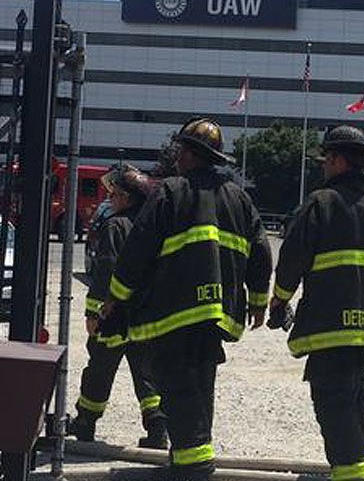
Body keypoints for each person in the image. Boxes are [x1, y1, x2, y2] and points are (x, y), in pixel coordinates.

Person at [105, 118, 272, 480]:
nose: (177, 157)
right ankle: (188, 458)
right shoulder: (239, 198)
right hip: (218, 314)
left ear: (188, 153)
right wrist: (258, 301)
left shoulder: (171, 191)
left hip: (175, 310)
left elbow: (138, 249)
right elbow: (261, 250)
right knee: (200, 385)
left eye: (180, 150)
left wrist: (115, 297)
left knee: (177, 385)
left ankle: (193, 466)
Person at [268, 125, 364, 481]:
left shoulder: (320, 203)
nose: (323, 166)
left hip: (329, 324)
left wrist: (279, 300)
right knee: (357, 391)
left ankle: (353, 475)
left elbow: (292, 259)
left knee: (333, 399)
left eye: (326, 160)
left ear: (337, 160)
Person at [70, 165, 167, 448]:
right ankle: (158, 428)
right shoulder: (153, 226)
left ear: (125, 198)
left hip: (114, 313)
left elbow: (106, 269)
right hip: (146, 316)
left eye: (113, 194)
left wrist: (94, 311)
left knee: (100, 368)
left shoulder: (116, 225)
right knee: (147, 373)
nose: (110, 199)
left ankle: (86, 423)